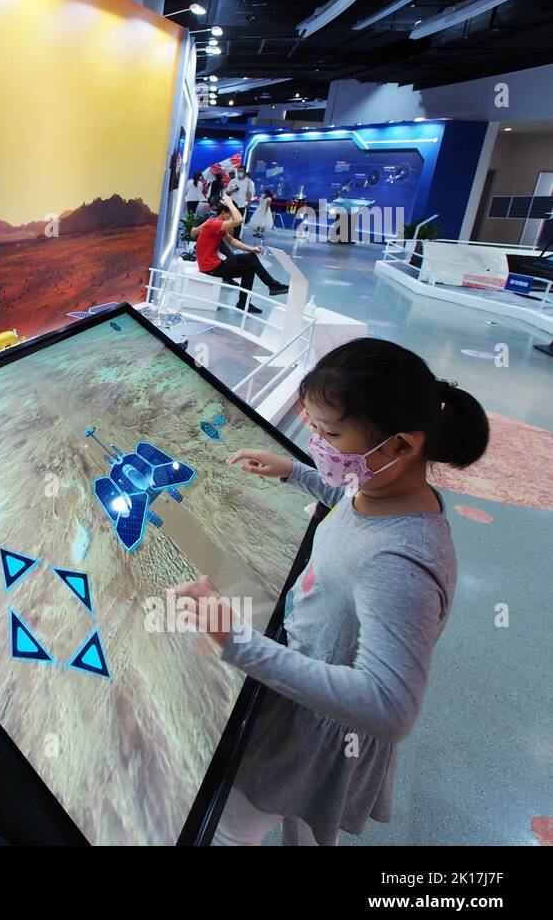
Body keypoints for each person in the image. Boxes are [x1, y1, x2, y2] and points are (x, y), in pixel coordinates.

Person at [173, 338, 489, 846]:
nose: (316, 441)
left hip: (309, 736)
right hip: (306, 705)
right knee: (305, 823)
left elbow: (388, 708)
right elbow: (349, 506)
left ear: (401, 445)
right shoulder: (382, 486)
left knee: (231, 829)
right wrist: (295, 473)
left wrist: (236, 640)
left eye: (330, 432)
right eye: (313, 427)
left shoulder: (402, 563)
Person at [191, 197, 288, 312]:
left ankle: (244, 303)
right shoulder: (214, 224)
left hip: (213, 265)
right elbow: (239, 220)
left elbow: (232, 241)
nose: (231, 218)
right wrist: (230, 203)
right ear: (223, 213)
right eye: (230, 215)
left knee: (249, 268)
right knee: (250, 258)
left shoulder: (217, 225)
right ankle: (273, 285)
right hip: (211, 267)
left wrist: (252, 249)